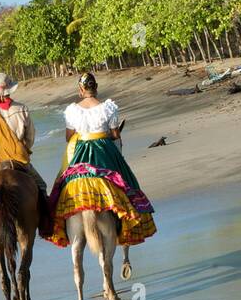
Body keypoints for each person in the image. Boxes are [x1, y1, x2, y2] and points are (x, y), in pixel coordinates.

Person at [43, 72, 156, 275]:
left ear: (80, 90)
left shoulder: (72, 110)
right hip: (106, 151)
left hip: (81, 151)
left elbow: (69, 137)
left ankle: (58, 224)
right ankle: (127, 224)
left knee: (63, 183)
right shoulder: (108, 107)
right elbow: (115, 135)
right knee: (126, 183)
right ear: (96, 88)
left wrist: (82, 133)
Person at [0, 72, 51, 242]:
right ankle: (46, 225)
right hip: (18, 159)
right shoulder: (21, 109)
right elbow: (30, 137)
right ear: (10, 90)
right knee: (42, 187)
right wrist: (21, 150)